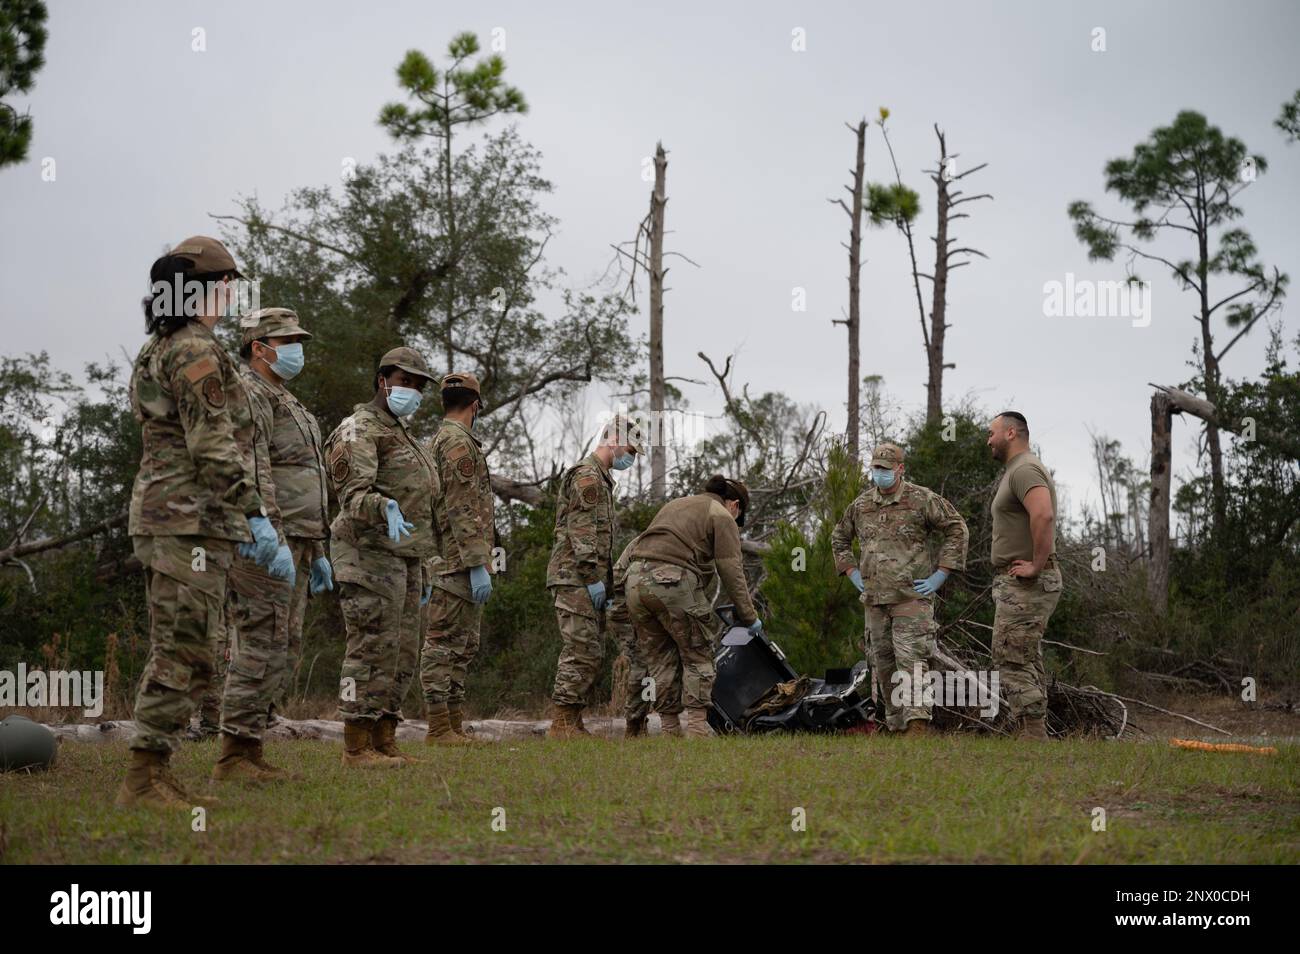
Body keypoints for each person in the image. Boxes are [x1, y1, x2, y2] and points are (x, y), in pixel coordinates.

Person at [119, 235, 279, 808]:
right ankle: (144, 778)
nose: (233, 292)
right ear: (204, 288)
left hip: (182, 518)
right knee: (183, 650)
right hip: (184, 519)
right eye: (227, 282)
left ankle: (156, 772)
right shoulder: (193, 350)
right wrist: (254, 512)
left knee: (194, 650)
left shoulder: (170, 344)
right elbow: (212, 445)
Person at [212, 308, 328, 781]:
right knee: (259, 643)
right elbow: (250, 465)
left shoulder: (287, 399)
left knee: (283, 645)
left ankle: (250, 747)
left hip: (298, 541)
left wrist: (316, 550)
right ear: (259, 348)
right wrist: (267, 531)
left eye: (299, 338)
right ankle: (232, 756)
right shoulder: (249, 391)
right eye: (287, 341)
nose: (297, 348)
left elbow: (304, 474)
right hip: (264, 541)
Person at [324, 347, 439, 767]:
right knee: (370, 647)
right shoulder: (358, 429)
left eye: (419, 385)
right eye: (405, 381)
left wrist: (423, 564)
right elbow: (353, 495)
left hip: (405, 558)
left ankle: (384, 737)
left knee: (403, 651)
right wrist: (382, 507)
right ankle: (356, 745)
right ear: (382, 380)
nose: (412, 390)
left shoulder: (401, 431)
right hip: (367, 553)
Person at [830, 442, 968, 734]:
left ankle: (917, 727)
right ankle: (895, 729)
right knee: (884, 666)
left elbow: (957, 528)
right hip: (875, 601)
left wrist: (940, 575)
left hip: (911, 599)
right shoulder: (862, 505)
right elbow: (839, 537)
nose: (879, 473)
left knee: (913, 664)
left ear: (900, 469)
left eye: (885, 469)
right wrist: (851, 570)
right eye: (875, 468)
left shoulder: (922, 499)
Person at [624, 475, 762, 738]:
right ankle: (697, 728)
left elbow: (639, 545)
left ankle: (670, 729)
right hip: (671, 581)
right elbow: (731, 570)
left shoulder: (677, 504)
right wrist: (749, 616)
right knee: (697, 653)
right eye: (738, 515)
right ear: (734, 504)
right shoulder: (721, 515)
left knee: (660, 658)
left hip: (635, 583)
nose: (736, 521)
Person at [545, 416, 644, 737]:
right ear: (613, 439)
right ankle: (561, 722)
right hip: (574, 577)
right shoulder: (588, 477)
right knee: (581, 648)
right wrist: (590, 576)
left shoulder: (599, 479)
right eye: (629, 449)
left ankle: (572, 720)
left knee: (591, 649)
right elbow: (582, 532)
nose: (629, 457)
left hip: (586, 578)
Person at [421, 372, 497, 745]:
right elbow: (462, 507)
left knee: (462, 645)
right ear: (475, 404)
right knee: (444, 645)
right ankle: (438, 727)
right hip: (455, 562)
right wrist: (476, 562)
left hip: (455, 560)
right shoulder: (457, 444)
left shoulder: (444, 439)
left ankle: (451, 723)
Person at [986, 411, 1062, 740]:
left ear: (1012, 433)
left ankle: (1032, 736)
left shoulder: (1025, 469)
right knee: (1025, 657)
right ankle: (1035, 733)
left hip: (1027, 583)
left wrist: (1035, 564)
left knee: (1010, 658)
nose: (988, 440)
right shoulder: (1017, 470)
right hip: (1017, 583)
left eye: (992, 433)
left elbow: (1043, 515)